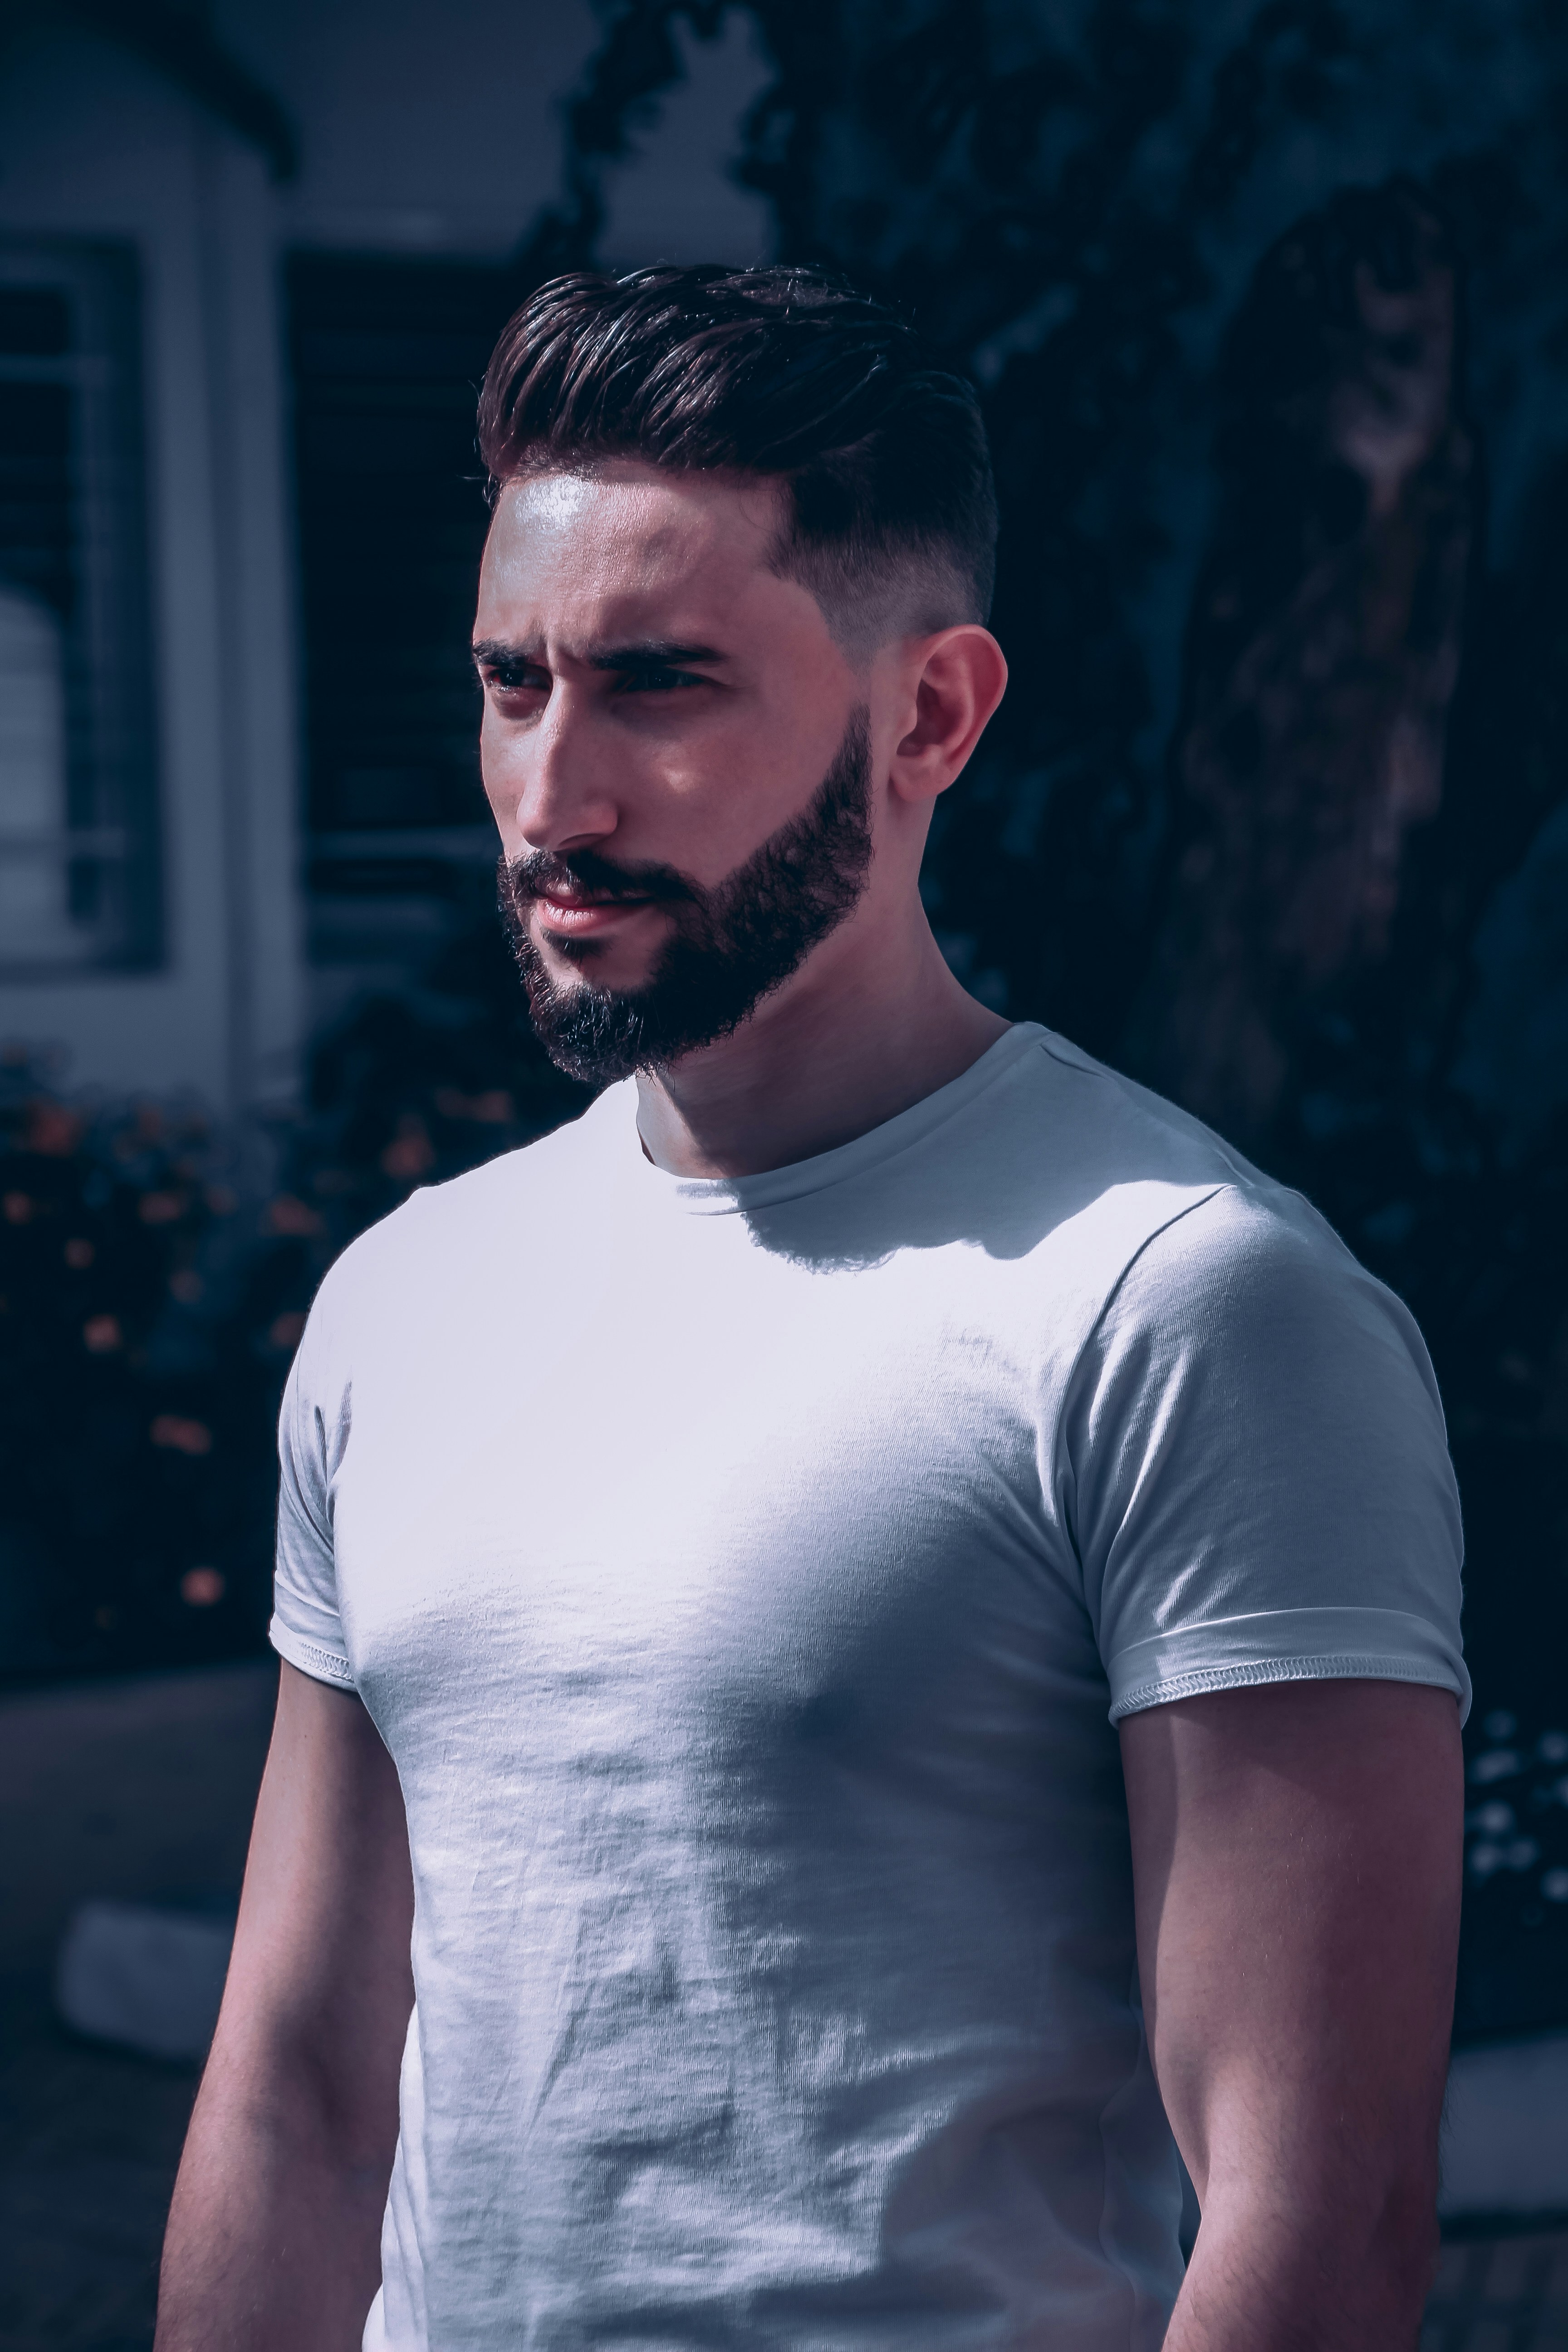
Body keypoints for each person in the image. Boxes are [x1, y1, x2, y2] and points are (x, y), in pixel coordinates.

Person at [156, 266, 1467, 2352]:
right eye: (513, 682)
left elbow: (1320, 2218)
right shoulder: (403, 1300)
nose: (553, 798)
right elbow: (300, 2090)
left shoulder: (1187, 1307)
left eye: (659, 685)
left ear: (930, 716)